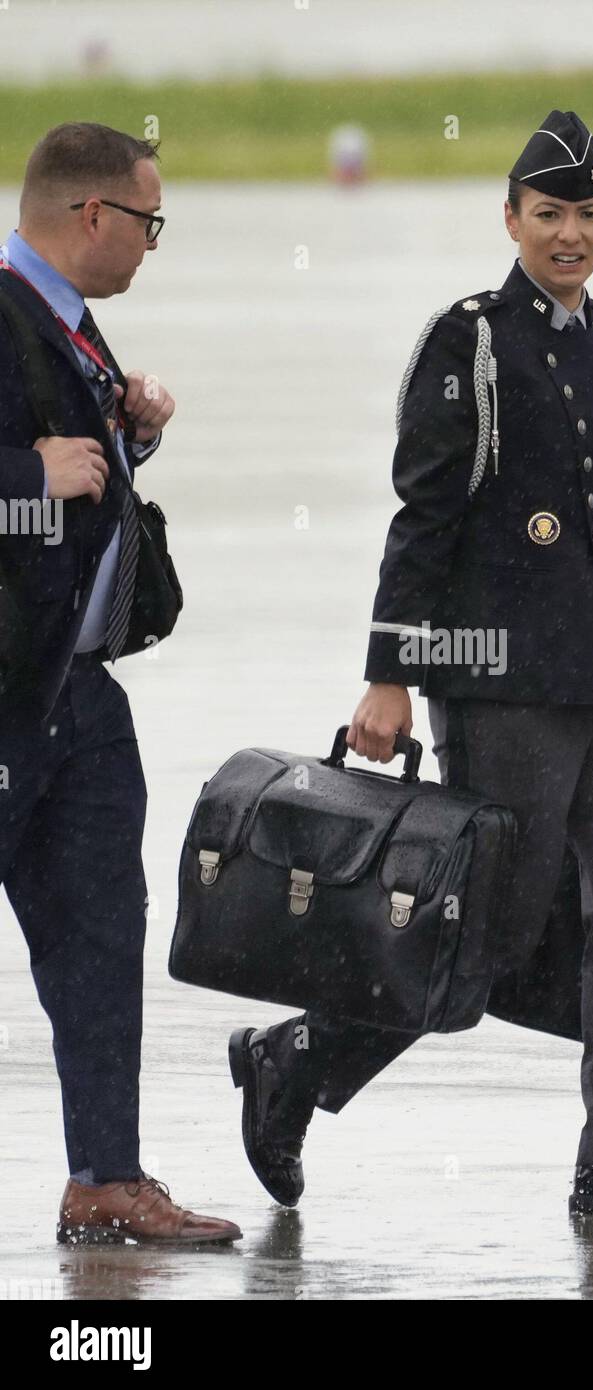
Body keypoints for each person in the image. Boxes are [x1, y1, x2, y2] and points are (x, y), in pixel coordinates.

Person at [230, 110, 593, 1216]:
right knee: (483, 930)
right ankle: (298, 1056)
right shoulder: (469, 342)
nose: (570, 234)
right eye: (549, 214)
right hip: (501, 680)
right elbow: (425, 517)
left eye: (589, 214)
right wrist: (389, 672)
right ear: (509, 219)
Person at [0, 123, 240, 1244]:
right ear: (93, 214)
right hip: (5, 697)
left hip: (80, 700)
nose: (154, 244)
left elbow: (73, 494)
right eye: (149, 222)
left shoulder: (69, 328)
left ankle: (106, 1179)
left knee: (101, 935)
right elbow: (33, 482)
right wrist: (22, 476)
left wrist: (124, 436)